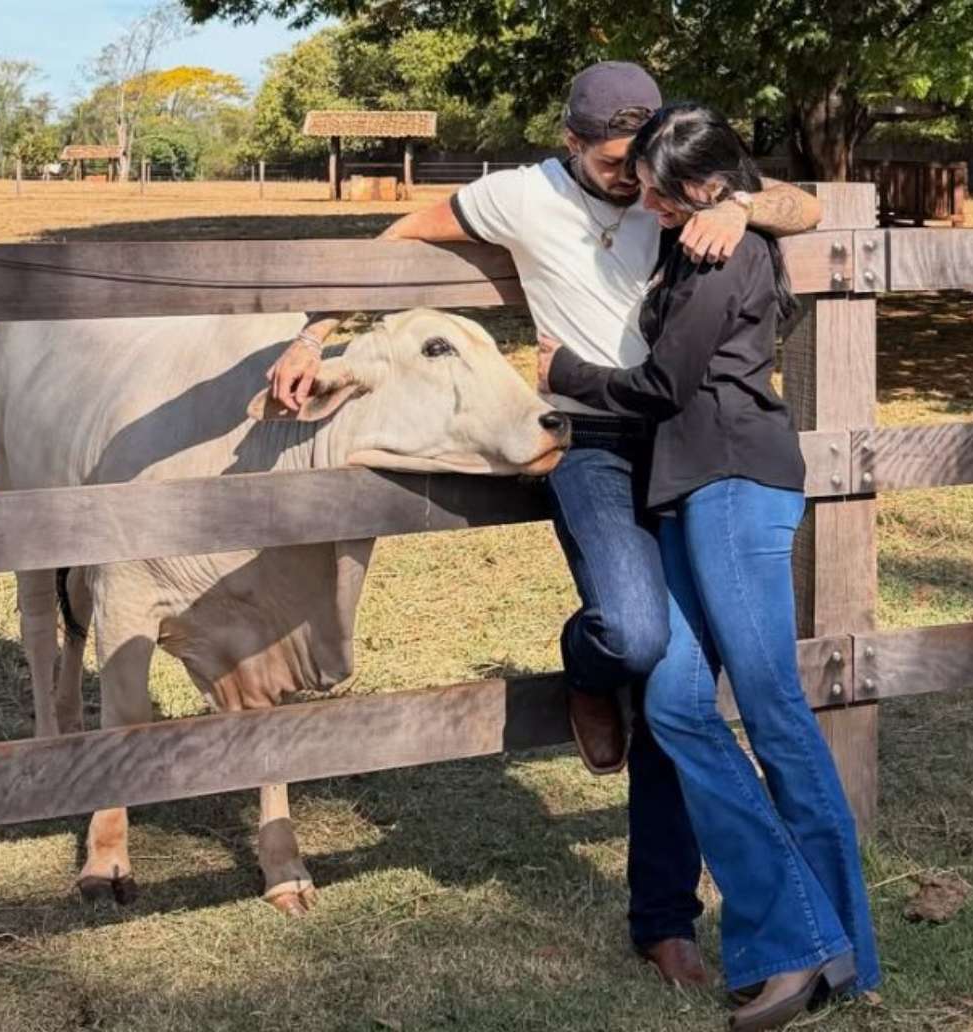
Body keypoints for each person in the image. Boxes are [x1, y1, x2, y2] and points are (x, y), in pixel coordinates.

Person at [266, 63, 823, 986]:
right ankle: (587, 661)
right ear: (570, 144)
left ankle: (665, 917)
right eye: (613, 163)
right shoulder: (518, 196)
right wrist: (314, 330)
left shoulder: (674, 178)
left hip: (684, 441)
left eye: (644, 163)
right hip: (593, 442)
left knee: (682, 687)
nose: (634, 183)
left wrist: (741, 208)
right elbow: (398, 234)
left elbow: (805, 208)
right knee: (634, 634)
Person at [537, 103, 880, 1031]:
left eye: (654, 187)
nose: (640, 200)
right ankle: (813, 937)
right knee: (682, 706)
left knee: (771, 710)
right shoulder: (704, 235)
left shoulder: (723, 253)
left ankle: (820, 944)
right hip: (691, 493)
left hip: (732, 482)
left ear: (700, 187)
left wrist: (563, 370)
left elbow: (662, 387)